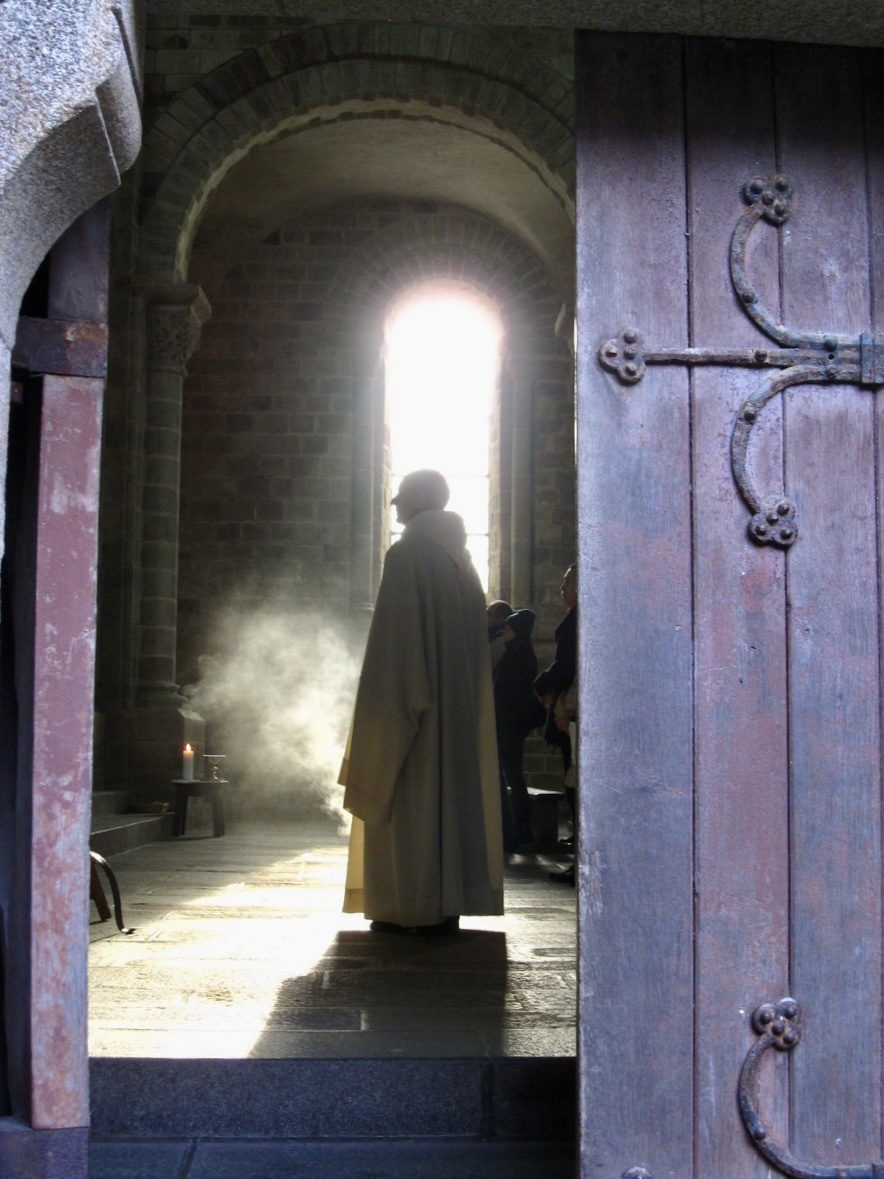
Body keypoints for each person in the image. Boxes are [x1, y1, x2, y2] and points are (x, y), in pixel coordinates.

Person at [341, 468, 504, 935]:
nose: (394, 506)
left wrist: (378, 715)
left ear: (418, 501)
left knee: (411, 808)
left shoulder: (408, 555)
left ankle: (408, 904)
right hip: (453, 720)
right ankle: (445, 900)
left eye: (401, 499)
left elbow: (393, 657)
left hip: (415, 719)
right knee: (447, 809)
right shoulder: (464, 566)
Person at [533, 563, 578, 884]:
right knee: (573, 782)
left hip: (574, 715)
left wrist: (543, 687)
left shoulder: (577, 620)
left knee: (577, 785)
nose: (562, 589)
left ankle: (583, 862)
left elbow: (567, 667)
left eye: (568, 583)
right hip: (570, 711)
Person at [493, 609, 546, 852]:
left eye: (508, 628)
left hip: (511, 723)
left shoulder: (520, 655)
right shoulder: (516, 651)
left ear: (517, 631)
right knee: (512, 773)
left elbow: (510, 691)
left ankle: (522, 830)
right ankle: (518, 829)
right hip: (508, 722)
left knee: (513, 773)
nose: (504, 631)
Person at [486, 599, 512, 671]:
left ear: (501, 619)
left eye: (488, 614)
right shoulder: (491, 636)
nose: (484, 616)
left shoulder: (500, 642)